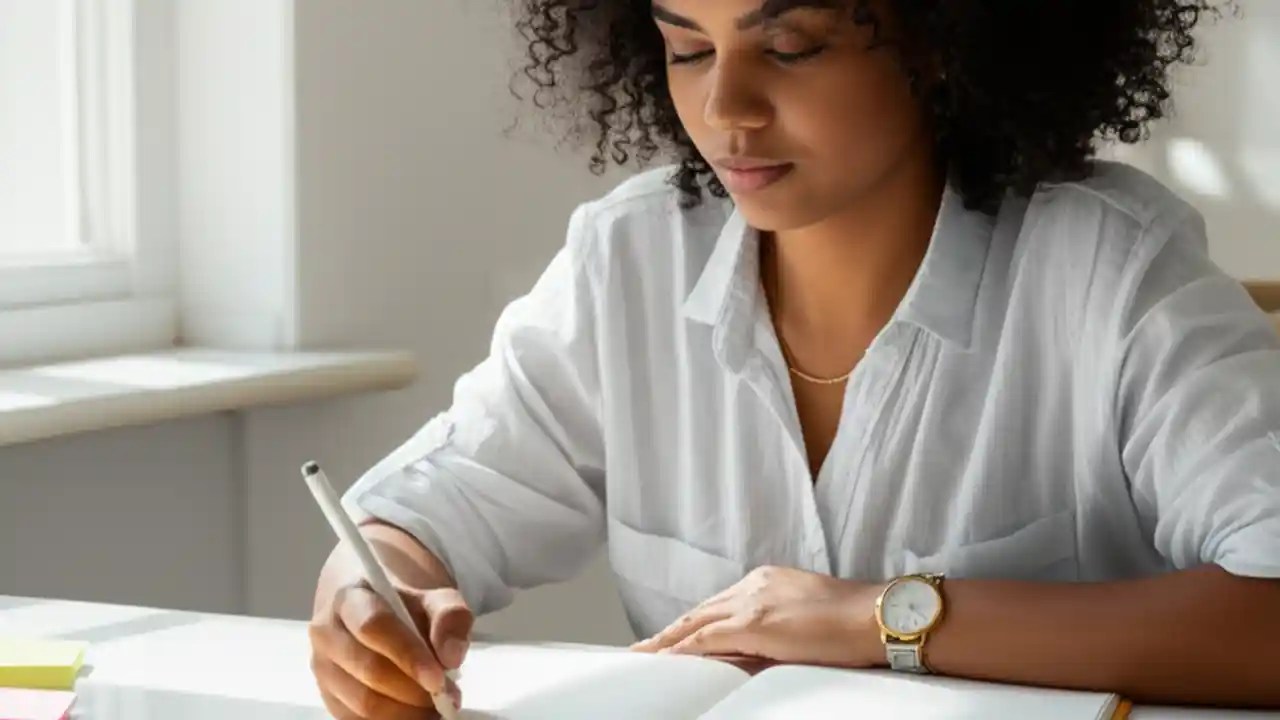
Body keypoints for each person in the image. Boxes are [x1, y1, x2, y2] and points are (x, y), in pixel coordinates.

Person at [307, 1, 1280, 718]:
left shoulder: (1109, 268)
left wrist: (882, 620)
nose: (724, 103)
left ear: (936, 40)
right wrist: (366, 593)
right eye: (686, 47)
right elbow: (424, 512)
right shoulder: (630, 261)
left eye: (786, 46)